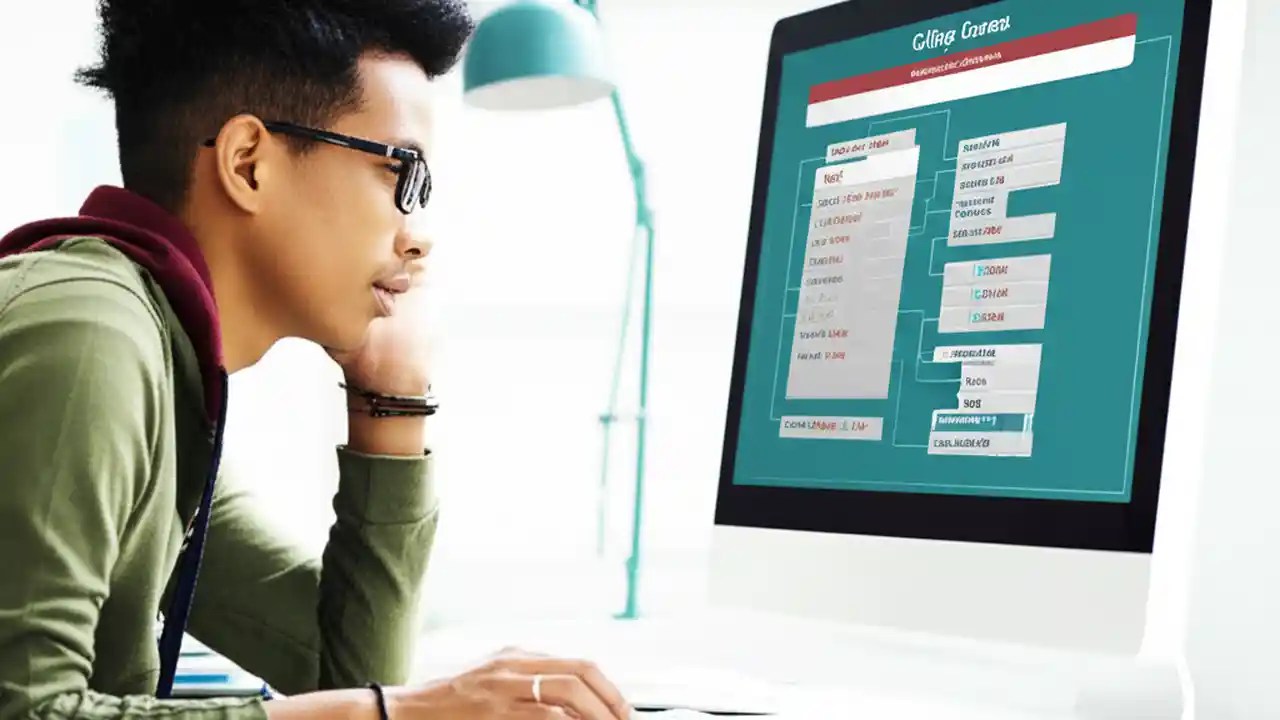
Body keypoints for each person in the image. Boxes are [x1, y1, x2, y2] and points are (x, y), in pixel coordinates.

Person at [0, 1, 631, 719]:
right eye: (400, 172)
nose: (418, 235)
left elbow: (348, 673)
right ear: (248, 163)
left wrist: (390, 402)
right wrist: (410, 711)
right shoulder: (91, 334)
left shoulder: (169, 375)